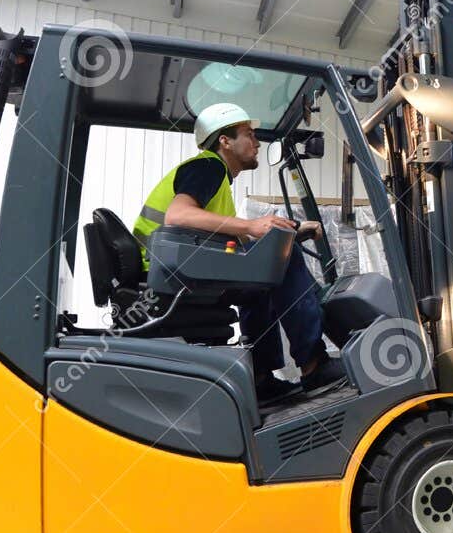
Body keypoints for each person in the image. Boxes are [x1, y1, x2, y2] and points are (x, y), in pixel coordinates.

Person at [133, 102, 343, 406]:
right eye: (249, 134)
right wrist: (253, 226)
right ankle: (314, 365)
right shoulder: (208, 166)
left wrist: (292, 232)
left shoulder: (217, 184)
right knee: (283, 263)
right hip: (169, 273)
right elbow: (177, 216)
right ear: (224, 141)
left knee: (259, 280)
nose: (257, 142)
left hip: (174, 270)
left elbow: (242, 243)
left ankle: (260, 378)